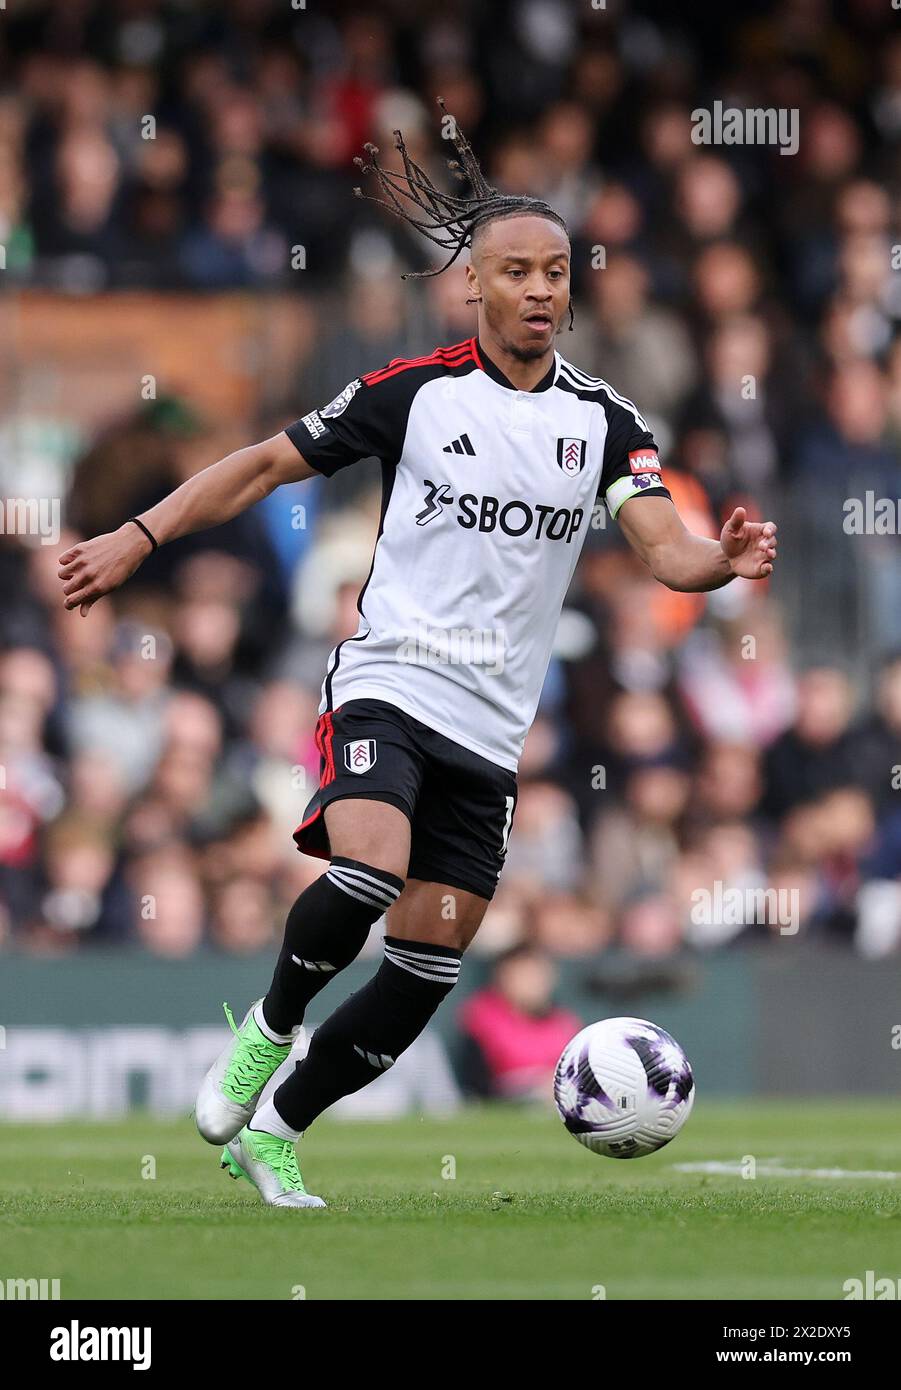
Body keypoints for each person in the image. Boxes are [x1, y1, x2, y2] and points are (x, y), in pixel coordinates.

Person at [57, 102, 778, 1209]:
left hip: (490, 731)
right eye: (519, 271)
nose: (542, 288)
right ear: (474, 287)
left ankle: (280, 1126)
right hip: (391, 678)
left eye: (557, 270)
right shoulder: (414, 393)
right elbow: (258, 466)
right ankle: (265, 1031)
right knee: (365, 869)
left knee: (423, 968)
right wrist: (138, 535)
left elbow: (664, 552)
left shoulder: (606, 423)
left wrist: (719, 562)